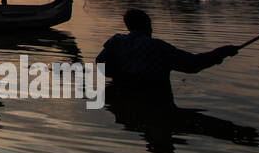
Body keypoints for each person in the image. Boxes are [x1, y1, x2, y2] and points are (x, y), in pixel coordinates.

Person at [95, 8, 238, 103]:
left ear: (128, 26)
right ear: (148, 26)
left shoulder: (116, 42)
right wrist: (220, 53)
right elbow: (193, 65)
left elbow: (100, 63)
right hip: (153, 102)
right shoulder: (157, 46)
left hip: (122, 101)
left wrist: (121, 76)